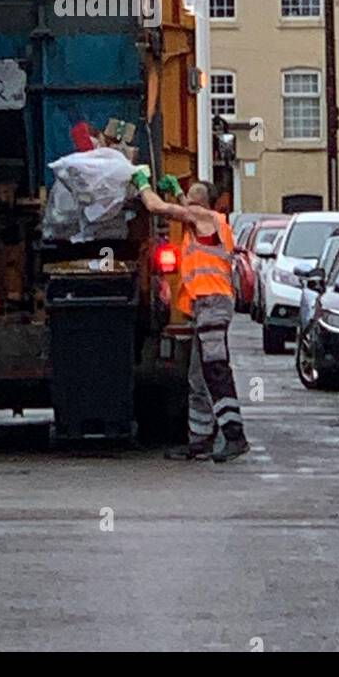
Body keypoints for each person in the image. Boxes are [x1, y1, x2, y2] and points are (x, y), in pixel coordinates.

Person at [132, 170, 248, 462]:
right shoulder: (201, 222)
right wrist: (178, 193)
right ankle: (199, 441)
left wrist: (142, 183)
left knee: (215, 369)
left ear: (206, 204)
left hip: (212, 303)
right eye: (189, 195)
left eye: (195, 196)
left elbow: (158, 208)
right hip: (203, 306)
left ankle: (235, 435)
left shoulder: (206, 219)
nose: (189, 199)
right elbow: (186, 209)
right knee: (198, 376)